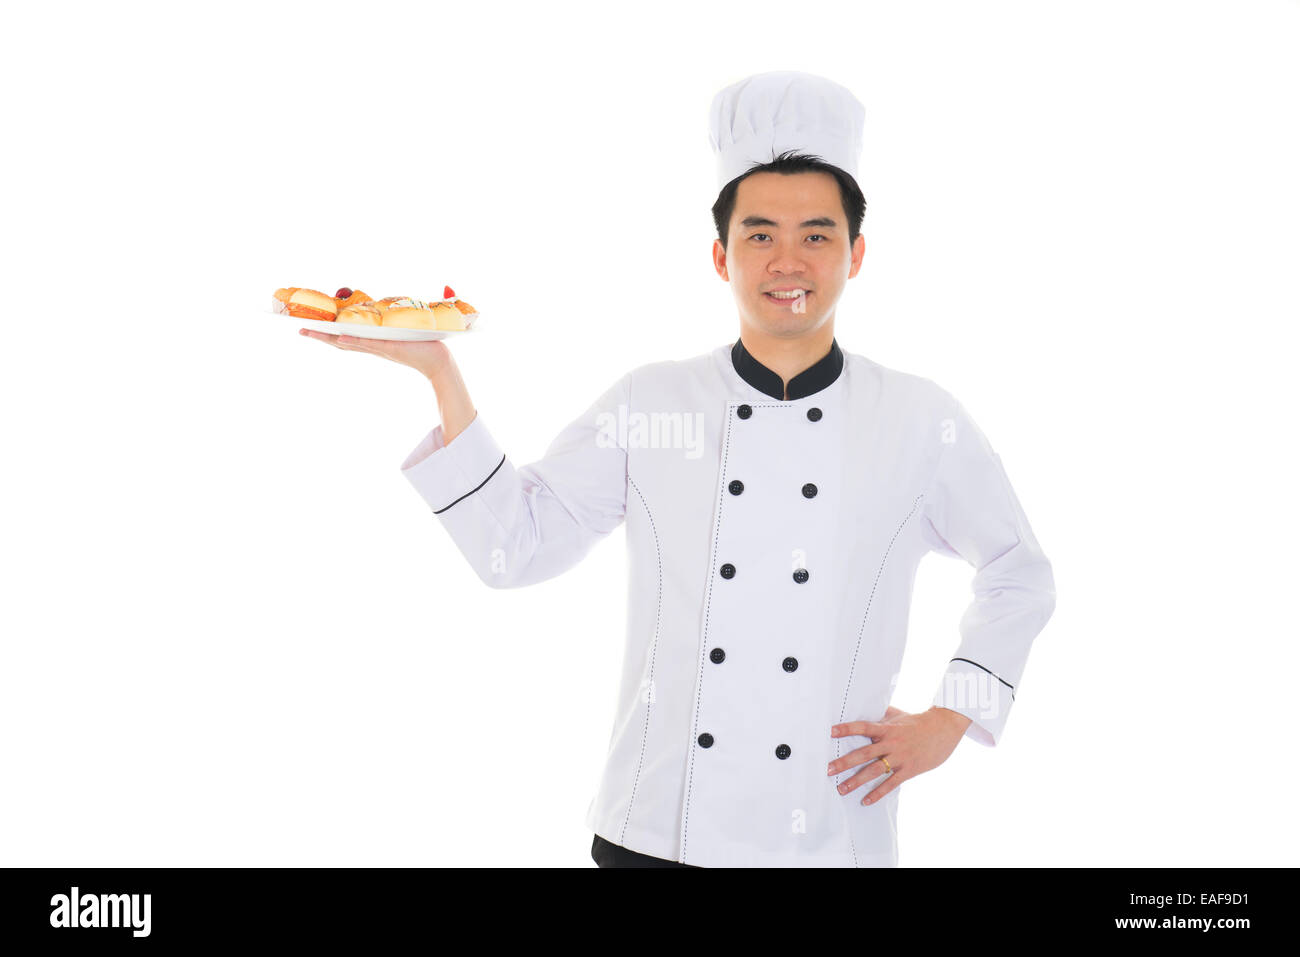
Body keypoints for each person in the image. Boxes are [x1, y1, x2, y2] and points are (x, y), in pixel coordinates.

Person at [300, 72, 1056, 868]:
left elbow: (1020, 571)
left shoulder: (916, 419)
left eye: (817, 235)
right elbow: (514, 549)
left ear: (856, 253)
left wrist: (953, 717)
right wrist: (442, 375)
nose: (787, 261)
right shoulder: (651, 401)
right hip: (655, 831)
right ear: (720, 254)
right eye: (760, 234)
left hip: (831, 839)